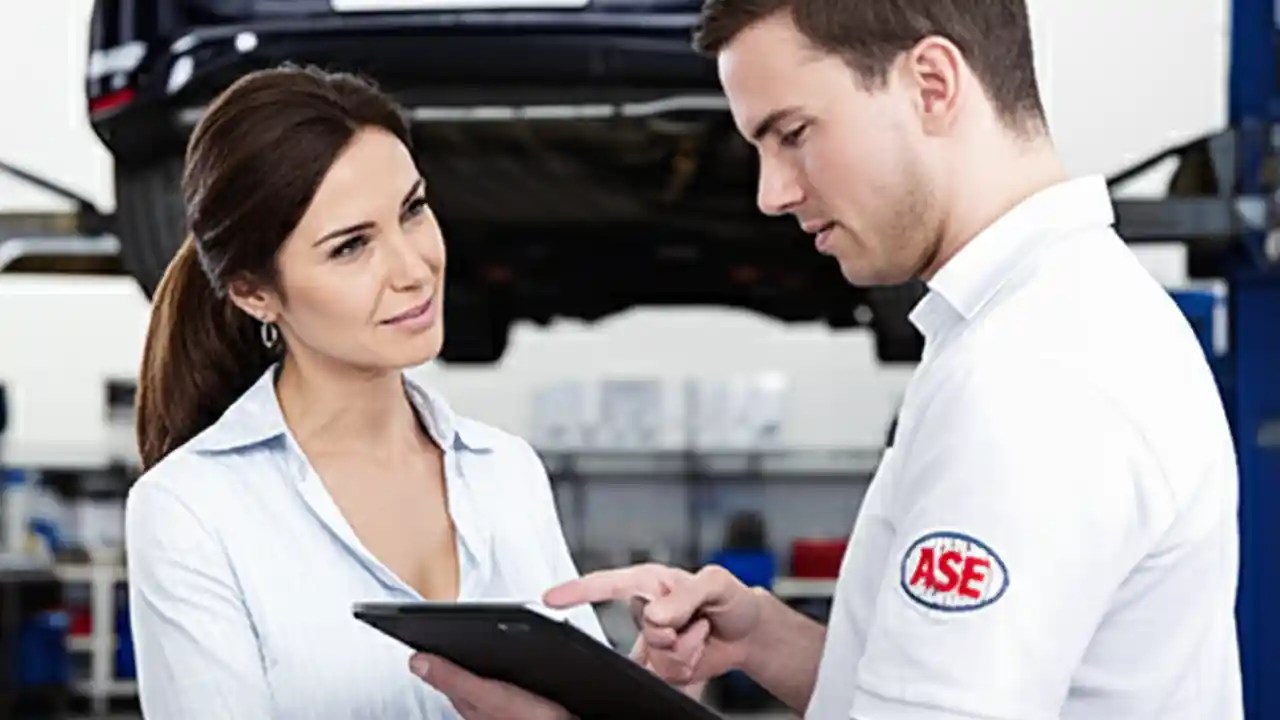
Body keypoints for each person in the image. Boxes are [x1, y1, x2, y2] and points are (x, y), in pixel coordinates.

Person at [407, 0, 1245, 718]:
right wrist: (775, 640)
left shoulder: (1030, 379)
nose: (772, 191)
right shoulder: (1051, 320)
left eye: (794, 134)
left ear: (932, 84)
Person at [124, 65, 604, 719]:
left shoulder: (506, 472)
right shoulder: (193, 510)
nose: (413, 268)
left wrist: (657, 688)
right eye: (352, 247)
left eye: (413, 210)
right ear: (254, 292)